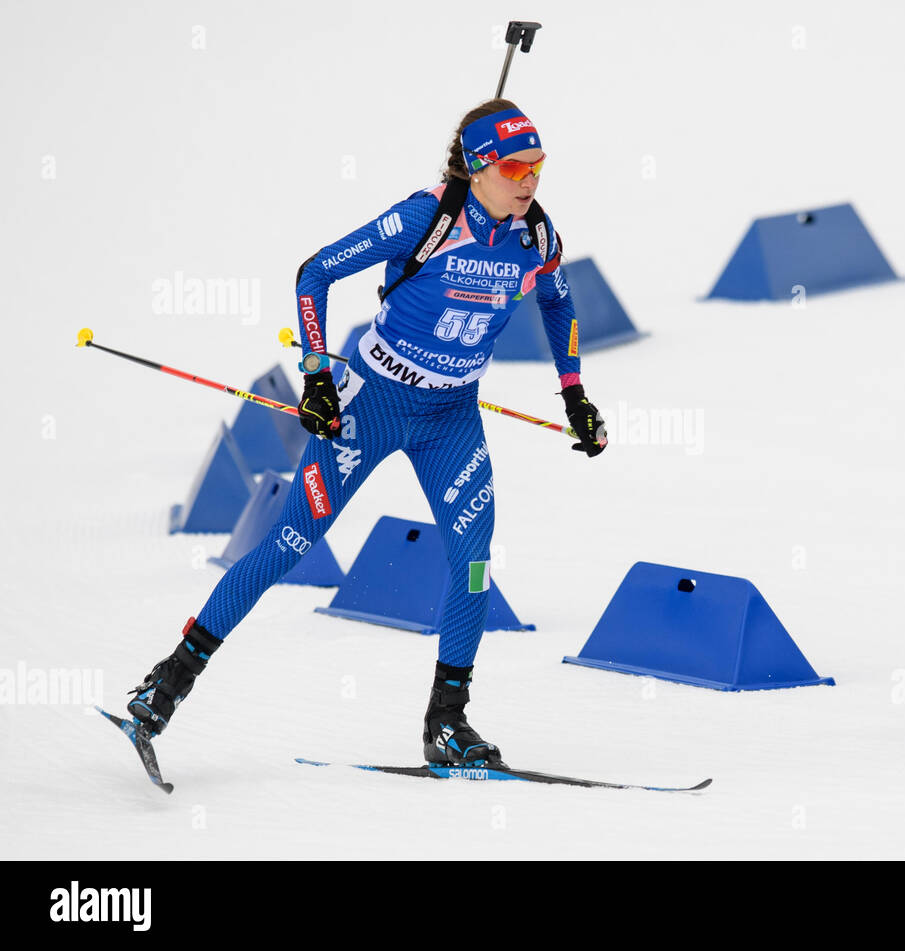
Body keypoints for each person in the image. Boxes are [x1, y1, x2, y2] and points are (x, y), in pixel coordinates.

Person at [125, 99, 607, 768]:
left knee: (472, 558)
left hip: (451, 419)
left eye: (539, 164)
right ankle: (168, 682)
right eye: (515, 166)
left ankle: (447, 721)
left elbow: (558, 301)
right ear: (478, 167)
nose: (531, 179)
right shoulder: (426, 219)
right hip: (372, 403)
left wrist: (575, 391)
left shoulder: (537, 237)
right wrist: (317, 375)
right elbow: (315, 271)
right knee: (287, 544)